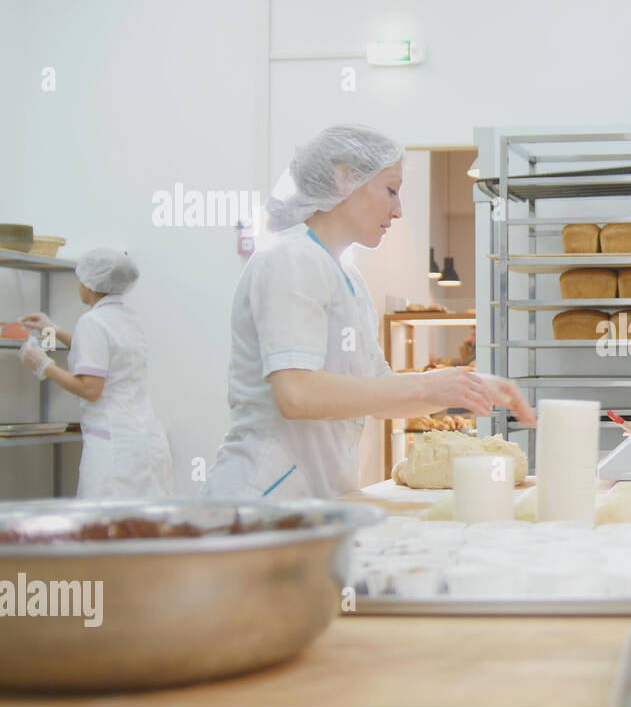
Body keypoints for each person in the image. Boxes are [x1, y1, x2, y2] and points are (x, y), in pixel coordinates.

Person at [203, 124, 535, 499]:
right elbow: (295, 394)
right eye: (391, 190)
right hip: (262, 499)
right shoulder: (290, 259)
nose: (398, 211)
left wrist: (468, 386)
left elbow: (381, 395)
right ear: (345, 179)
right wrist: (429, 383)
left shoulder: (349, 279)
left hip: (322, 497)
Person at [18, 248, 172, 497]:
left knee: (104, 527)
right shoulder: (129, 318)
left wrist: (44, 365)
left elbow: (90, 389)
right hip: (146, 442)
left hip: (113, 449)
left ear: (89, 285)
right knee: (144, 527)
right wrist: (52, 329)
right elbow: (103, 352)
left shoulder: (92, 321)